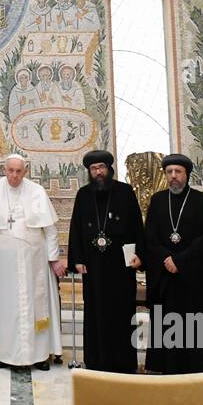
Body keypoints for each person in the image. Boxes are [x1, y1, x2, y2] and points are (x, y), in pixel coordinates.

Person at [140, 154, 203, 381]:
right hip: (165, 275)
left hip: (193, 276)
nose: (173, 176)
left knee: (194, 321)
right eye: (169, 172)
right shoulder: (158, 200)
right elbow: (150, 236)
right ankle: (166, 366)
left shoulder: (201, 200)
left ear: (187, 174)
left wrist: (181, 260)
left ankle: (196, 368)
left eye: (178, 172)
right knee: (167, 320)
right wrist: (166, 257)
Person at [0, 155, 64, 370]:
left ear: (25, 172)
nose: (14, 175)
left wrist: (54, 258)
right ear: (4, 170)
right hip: (1, 263)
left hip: (34, 259)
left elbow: (50, 230)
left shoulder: (37, 191)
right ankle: (0, 353)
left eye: (19, 171)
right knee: (3, 306)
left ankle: (40, 355)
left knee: (35, 305)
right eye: (10, 171)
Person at [66, 150, 144, 373]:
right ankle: (96, 359)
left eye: (101, 167)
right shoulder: (83, 194)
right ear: (89, 172)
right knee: (96, 311)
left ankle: (123, 362)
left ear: (109, 169)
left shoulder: (125, 192)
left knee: (122, 311)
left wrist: (139, 255)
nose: (98, 172)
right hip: (93, 264)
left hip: (121, 263)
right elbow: (76, 229)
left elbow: (137, 225)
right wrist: (77, 259)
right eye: (93, 169)